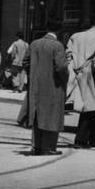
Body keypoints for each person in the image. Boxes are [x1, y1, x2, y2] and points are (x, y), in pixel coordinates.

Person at [23, 22, 69, 155]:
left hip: (36, 85)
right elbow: (61, 67)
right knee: (52, 116)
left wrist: (33, 75)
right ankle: (48, 148)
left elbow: (25, 62)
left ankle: (36, 147)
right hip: (53, 86)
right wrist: (65, 79)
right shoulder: (58, 45)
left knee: (38, 116)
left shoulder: (34, 43)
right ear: (59, 31)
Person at [67, 16, 95, 148]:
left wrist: (75, 68)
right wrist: (89, 68)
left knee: (89, 107)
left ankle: (93, 137)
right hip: (92, 75)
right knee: (90, 108)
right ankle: (81, 139)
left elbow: (68, 55)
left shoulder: (75, 36)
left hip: (76, 73)